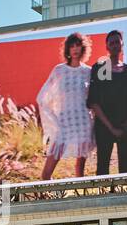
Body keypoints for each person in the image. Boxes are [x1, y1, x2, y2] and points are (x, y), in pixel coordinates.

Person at [36, 33, 95, 181]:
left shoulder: (88, 72)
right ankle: (48, 200)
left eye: (78, 45)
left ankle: (79, 199)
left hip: (83, 123)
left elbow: (93, 99)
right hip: (63, 124)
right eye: (72, 46)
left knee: (79, 170)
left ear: (83, 48)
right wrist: (54, 121)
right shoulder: (59, 70)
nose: (75, 49)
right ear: (67, 49)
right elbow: (43, 97)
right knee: (46, 173)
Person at [85, 29, 127, 176]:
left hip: (125, 126)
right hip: (104, 127)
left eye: (118, 42)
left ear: (122, 44)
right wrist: (111, 128)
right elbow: (94, 101)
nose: (115, 45)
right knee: (103, 169)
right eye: (112, 43)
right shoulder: (101, 68)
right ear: (107, 47)